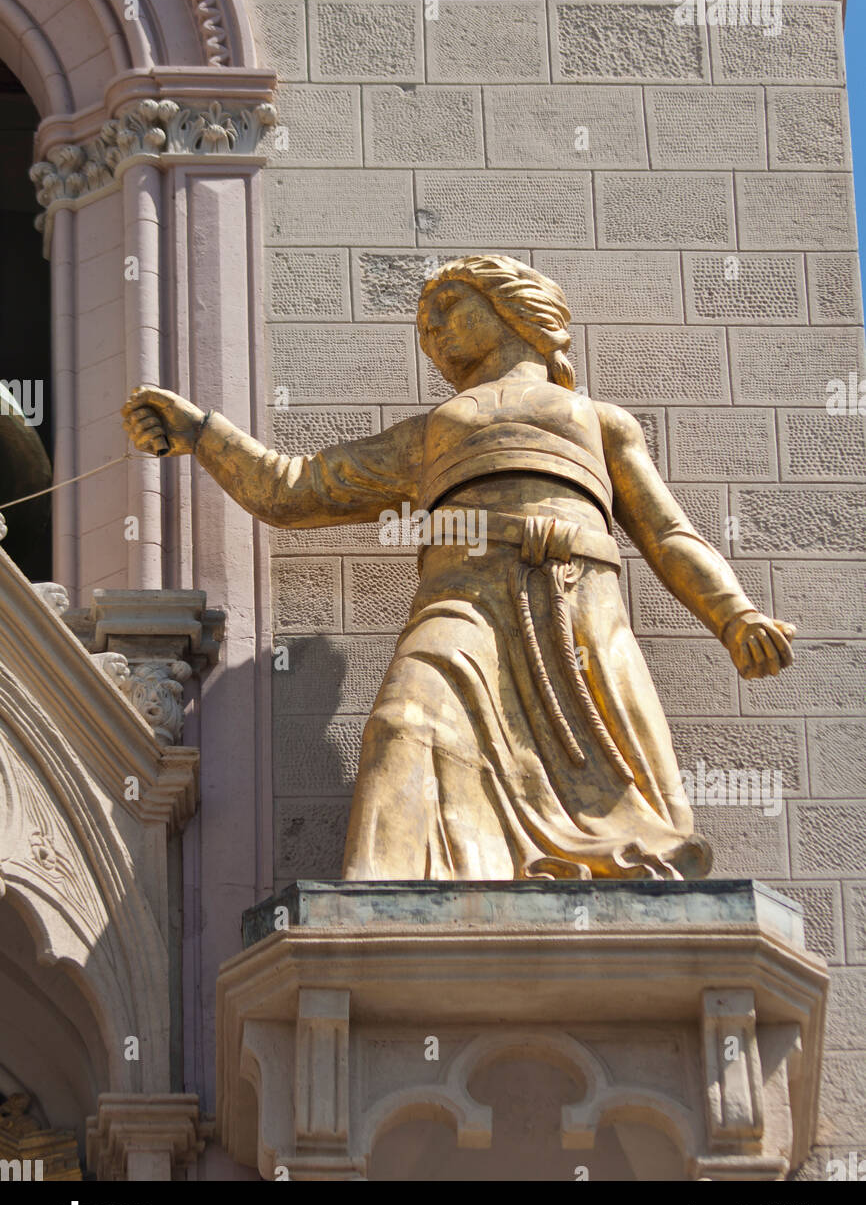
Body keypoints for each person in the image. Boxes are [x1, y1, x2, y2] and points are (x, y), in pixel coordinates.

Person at [122, 255, 795, 882]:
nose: (434, 332)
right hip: (462, 605)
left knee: (616, 774)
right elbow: (293, 489)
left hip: (580, 609)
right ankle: (387, 905)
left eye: (448, 306)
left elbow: (669, 532)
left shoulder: (598, 421)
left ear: (518, 309)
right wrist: (205, 432)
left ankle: (601, 866)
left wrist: (735, 615)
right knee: (400, 723)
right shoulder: (431, 433)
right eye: (423, 326)